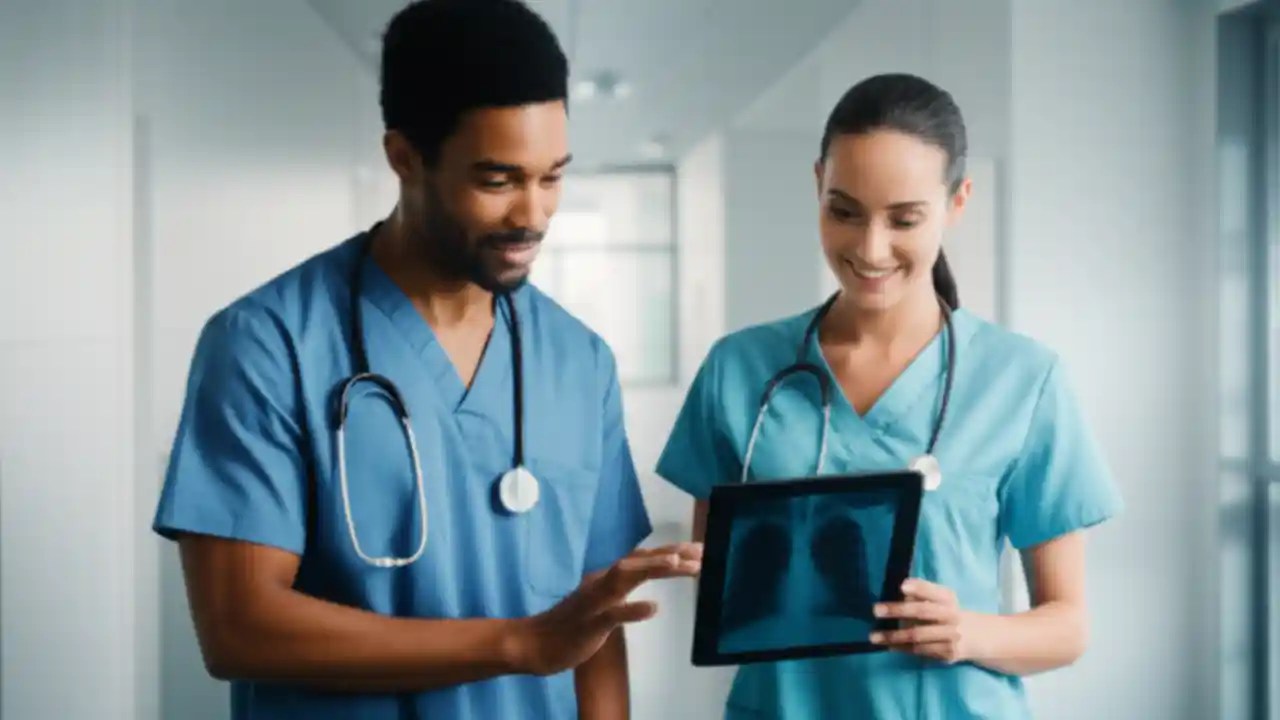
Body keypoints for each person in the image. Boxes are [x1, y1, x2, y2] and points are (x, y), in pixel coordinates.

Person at [151, 1, 700, 718]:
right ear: (404, 157)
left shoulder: (579, 361)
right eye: (498, 180)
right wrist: (516, 645)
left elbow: (598, 618)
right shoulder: (268, 343)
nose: (533, 215)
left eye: (553, 176)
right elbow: (239, 627)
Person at [655, 73, 1123, 719]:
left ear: (958, 202)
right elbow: (723, 592)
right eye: (843, 211)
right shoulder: (740, 369)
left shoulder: (1023, 380)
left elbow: (1067, 627)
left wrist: (970, 632)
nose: (870, 249)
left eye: (905, 219)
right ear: (816, 182)